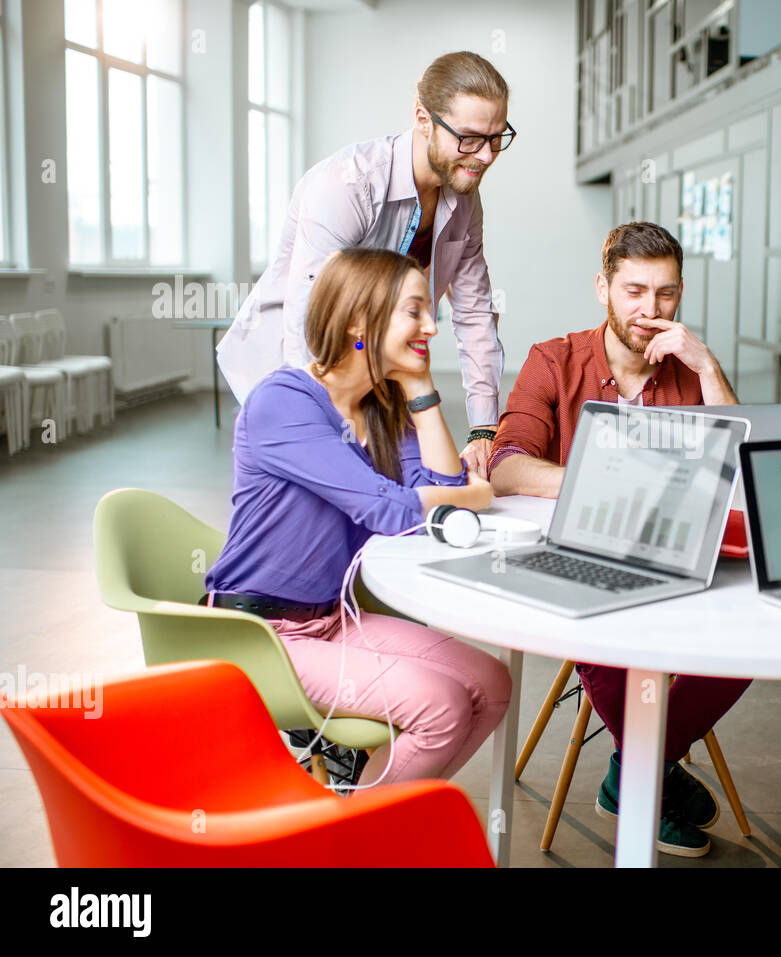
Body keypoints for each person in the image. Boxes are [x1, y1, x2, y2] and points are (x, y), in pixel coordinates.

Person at [203, 247, 510, 787]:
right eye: (414, 311)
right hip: (259, 634)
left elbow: (432, 502)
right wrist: (471, 498)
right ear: (357, 322)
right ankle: (364, 838)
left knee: (492, 682)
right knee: (441, 706)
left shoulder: (379, 411)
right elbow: (387, 508)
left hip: (330, 620)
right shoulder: (283, 401)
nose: (432, 326)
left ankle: (364, 816)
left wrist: (420, 391)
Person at [487, 222, 747, 857]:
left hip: (676, 561)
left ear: (680, 293)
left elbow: (741, 467)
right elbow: (506, 464)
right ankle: (648, 777)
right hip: (581, 557)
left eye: (664, 294)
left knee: (746, 643)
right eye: (634, 291)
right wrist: (608, 478)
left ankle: (633, 772)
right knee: (602, 632)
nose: (649, 310)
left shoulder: (689, 372)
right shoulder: (555, 360)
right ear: (603, 287)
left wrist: (707, 365)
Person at [217, 51, 514, 474]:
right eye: (468, 138)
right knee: (321, 517)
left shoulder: (464, 200)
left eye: (496, 138)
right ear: (423, 119)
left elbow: (475, 311)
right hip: (293, 372)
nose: (485, 156)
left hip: (375, 368)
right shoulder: (346, 185)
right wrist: (315, 425)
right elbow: (308, 317)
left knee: (408, 494)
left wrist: (484, 428)